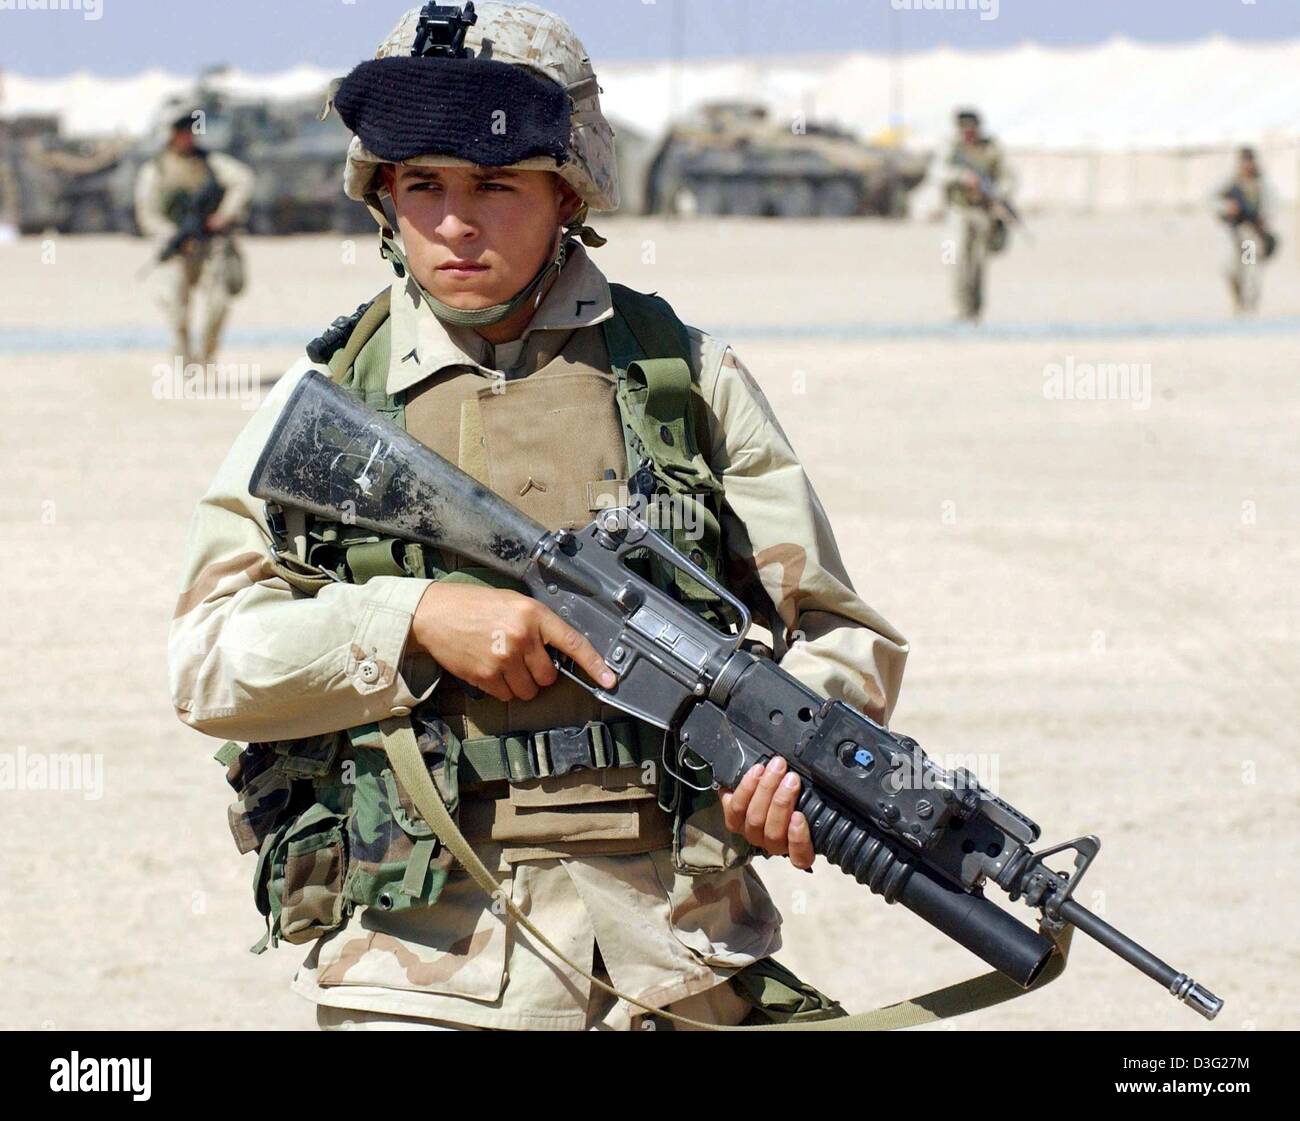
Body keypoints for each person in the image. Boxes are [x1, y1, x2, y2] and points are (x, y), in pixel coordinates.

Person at [168, 1, 907, 1031]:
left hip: (676, 954)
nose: (456, 223)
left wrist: (791, 759)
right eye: (422, 183)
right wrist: (409, 620)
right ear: (381, 193)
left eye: (496, 185)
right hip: (418, 965)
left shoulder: (681, 378)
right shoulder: (330, 400)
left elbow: (837, 634)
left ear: (569, 193)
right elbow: (207, 662)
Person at [134, 109, 254, 364]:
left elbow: (243, 180)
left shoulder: (211, 163)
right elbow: (148, 213)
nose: (187, 138)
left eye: (190, 131)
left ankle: (207, 356)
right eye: (181, 132)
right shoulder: (155, 170)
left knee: (218, 304)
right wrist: (172, 235)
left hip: (211, 243)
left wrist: (224, 214)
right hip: (178, 247)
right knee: (175, 308)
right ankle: (184, 357)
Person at [941, 108, 1013, 322]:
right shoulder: (951, 147)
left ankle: (974, 310)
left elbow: (1007, 177)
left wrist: (997, 194)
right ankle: (957, 308)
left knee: (979, 262)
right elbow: (938, 173)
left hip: (982, 212)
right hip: (957, 212)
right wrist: (961, 176)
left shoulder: (991, 148)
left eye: (971, 129)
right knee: (952, 258)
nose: (968, 133)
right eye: (964, 129)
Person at [1215, 146, 1277, 315]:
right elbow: (1211, 199)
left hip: (1250, 234)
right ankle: (1238, 301)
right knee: (1229, 269)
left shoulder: (1261, 183)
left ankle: (1249, 308)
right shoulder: (1231, 181)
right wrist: (1226, 207)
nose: (1247, 165)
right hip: (1232, 232)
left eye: (1250, 161)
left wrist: (1263, 222)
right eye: (1244, 161)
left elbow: (1270, 205)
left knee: (1250, 270)